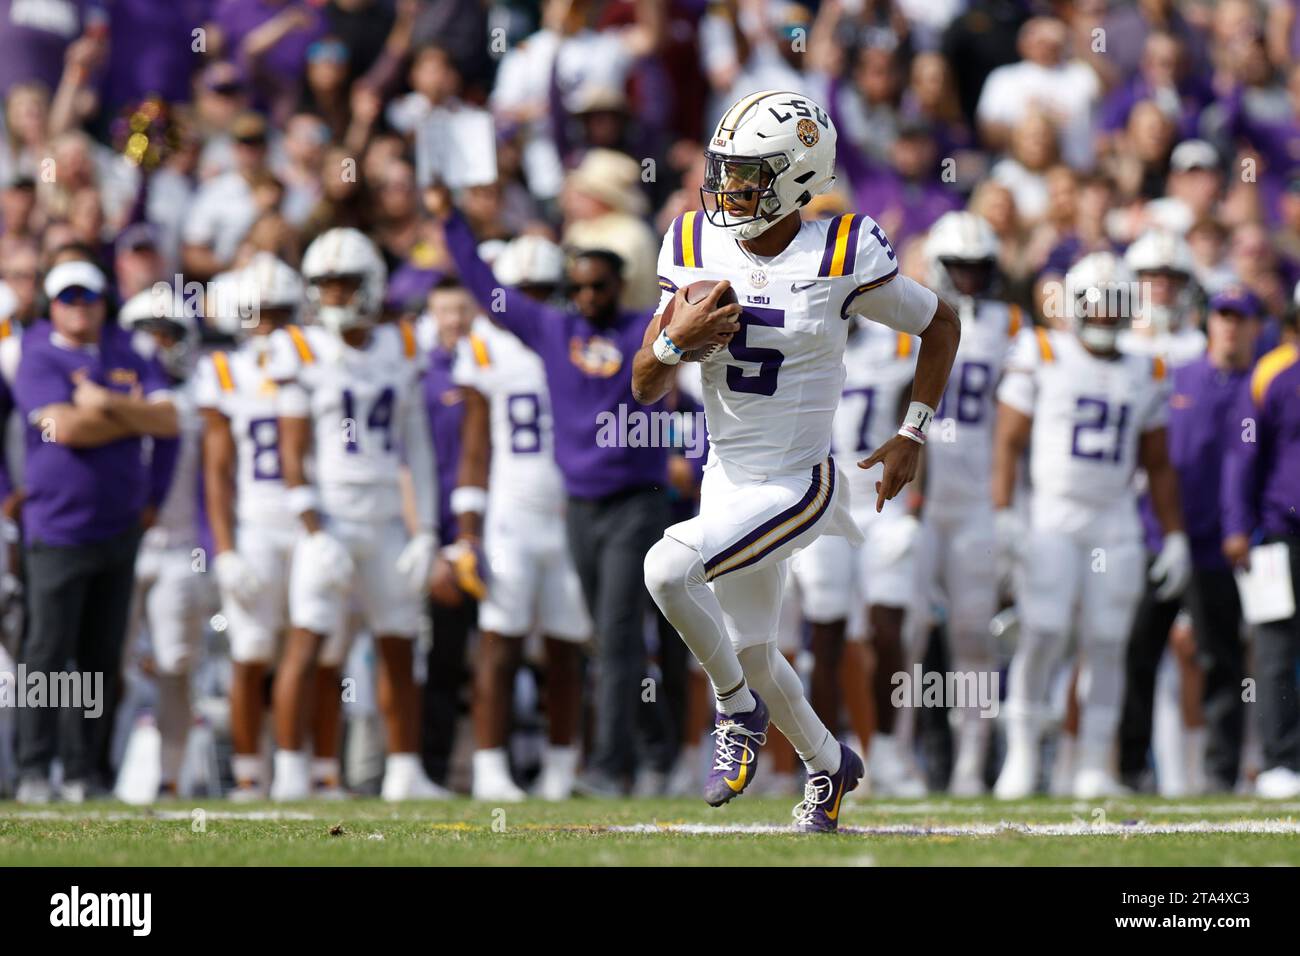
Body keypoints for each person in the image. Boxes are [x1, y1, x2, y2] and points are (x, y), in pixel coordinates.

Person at [633, 90, 960, 831]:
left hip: (797, 482)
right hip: (727, 478)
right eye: (725, 172)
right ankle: (827, 764)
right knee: (751, 650)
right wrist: (674, 343)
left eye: (746, 174)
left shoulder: (843, 249)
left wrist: (913, 431)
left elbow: (942, 324)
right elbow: (643, 385)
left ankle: (735, 716)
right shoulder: (690, 243)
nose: (727, 189)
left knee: (664, 569)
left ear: (796, 175)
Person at [427, 190, 671, 797]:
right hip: (565, 509)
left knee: (607, 637)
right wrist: (451, 220)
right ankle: (571, 762)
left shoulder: (643, 328)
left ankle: (608, 766)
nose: (588, 297)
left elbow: (693, 338)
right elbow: (488, 291)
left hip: (630, 500)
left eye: (599, 287)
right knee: (558, 639)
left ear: (621, 285)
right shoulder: (547, 331)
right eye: (578, 287)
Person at [993, 252, 1190, 800]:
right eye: (1096, 305)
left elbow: (1158, 462)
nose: (1104, 315)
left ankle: (1093, 765)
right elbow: (1008, 441)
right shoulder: (1043, 349)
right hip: (1054, 513)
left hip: (1116, 518)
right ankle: (1024, 755)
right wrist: (1005, 511)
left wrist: (1173, 535)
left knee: (1108, 641)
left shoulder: (1146, 365)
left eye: (1114, 306)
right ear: (1077, 307)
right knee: (1046, 630)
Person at [267, 227, 442, 801]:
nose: (333, 297)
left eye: (343, 286)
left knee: (398, 646)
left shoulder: (403, 345)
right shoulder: (299, 347)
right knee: (305, 643)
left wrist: (428, 533)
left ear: (369, 287)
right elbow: (291, 455)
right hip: (332, 519)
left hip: (389, 520)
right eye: (325, 286)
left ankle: (404, 772)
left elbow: (417, 448)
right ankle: (290, 775)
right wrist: (314, 531)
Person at [13, 260, 179, 803]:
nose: (79, 304)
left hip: (118, 525)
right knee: (47, 653)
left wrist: (105, 401)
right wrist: (129, 416)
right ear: (52, 303)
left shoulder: (126, 354)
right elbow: (68, 429)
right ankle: (35, 767)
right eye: (69, 296)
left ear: (104, 300)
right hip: (58, 527)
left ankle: (87, 771)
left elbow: (169, 420)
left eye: (89, 295)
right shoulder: (37, 354)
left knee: (99, 656)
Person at [453, 236, 591, 802]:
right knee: (500, 643)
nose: (530, 300)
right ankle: (490, 768)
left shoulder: (575, 335)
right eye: (521, 291)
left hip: (570, 507)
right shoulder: (486, 343)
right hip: (512, 510)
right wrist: (466, 528)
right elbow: (475, 443)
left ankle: (562, 768)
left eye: (540, 290)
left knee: (565, 645)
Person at [1121, 286, 1263, 795]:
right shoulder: (1178, 378)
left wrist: (1244, 530)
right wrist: (1154, 528)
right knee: (1139, 651)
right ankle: (1127, 768)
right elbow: (1151, 458)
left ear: (1254, 326)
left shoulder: (1259, 386)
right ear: (1208, 322)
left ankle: (1221, 772)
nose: (1229, 325)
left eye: (1239, 317)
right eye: (1222, 316)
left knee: (1221, 660)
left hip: (1223, 546)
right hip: (1163, 538)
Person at [916, 210, 1023, 795]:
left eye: (979, 268)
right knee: (905, 630)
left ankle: (967, 766)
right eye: (960, 268)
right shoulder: (908, 317)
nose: (971, 279)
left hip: (978, 498)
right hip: (921, 498)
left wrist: (1012, 507)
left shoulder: (1012, 325)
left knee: (973, 635)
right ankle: (899, 756)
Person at [118, 289, 210, 800]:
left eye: (166, 334)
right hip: (122, 545)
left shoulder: (194, 399)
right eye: (146, 333)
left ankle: (169, 779)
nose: (155, 346)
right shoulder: (112, 399)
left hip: (178, 545)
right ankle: (91, 771)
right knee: (106, 664)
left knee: (177, 665)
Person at [1222, 307, 1300, 799]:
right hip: (1281, 530)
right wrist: (1237, 525)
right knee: (1274, 650)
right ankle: (1279, 761)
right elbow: (1243, 455)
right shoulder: (1273, 372)